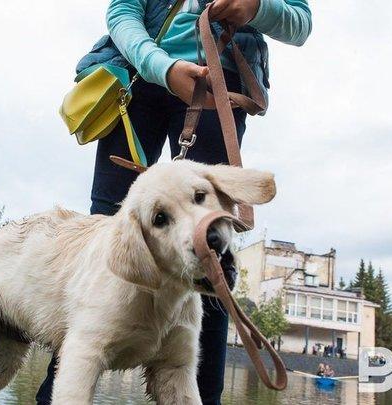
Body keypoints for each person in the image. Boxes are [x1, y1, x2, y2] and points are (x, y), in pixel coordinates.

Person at [36, 1, 311, 403]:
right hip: (136, 79)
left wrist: (255, 7)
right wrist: (159, 67)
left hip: (221, 80)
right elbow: (122, 12)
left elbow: (299, 23)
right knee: (105, 246)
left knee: (211, 254)